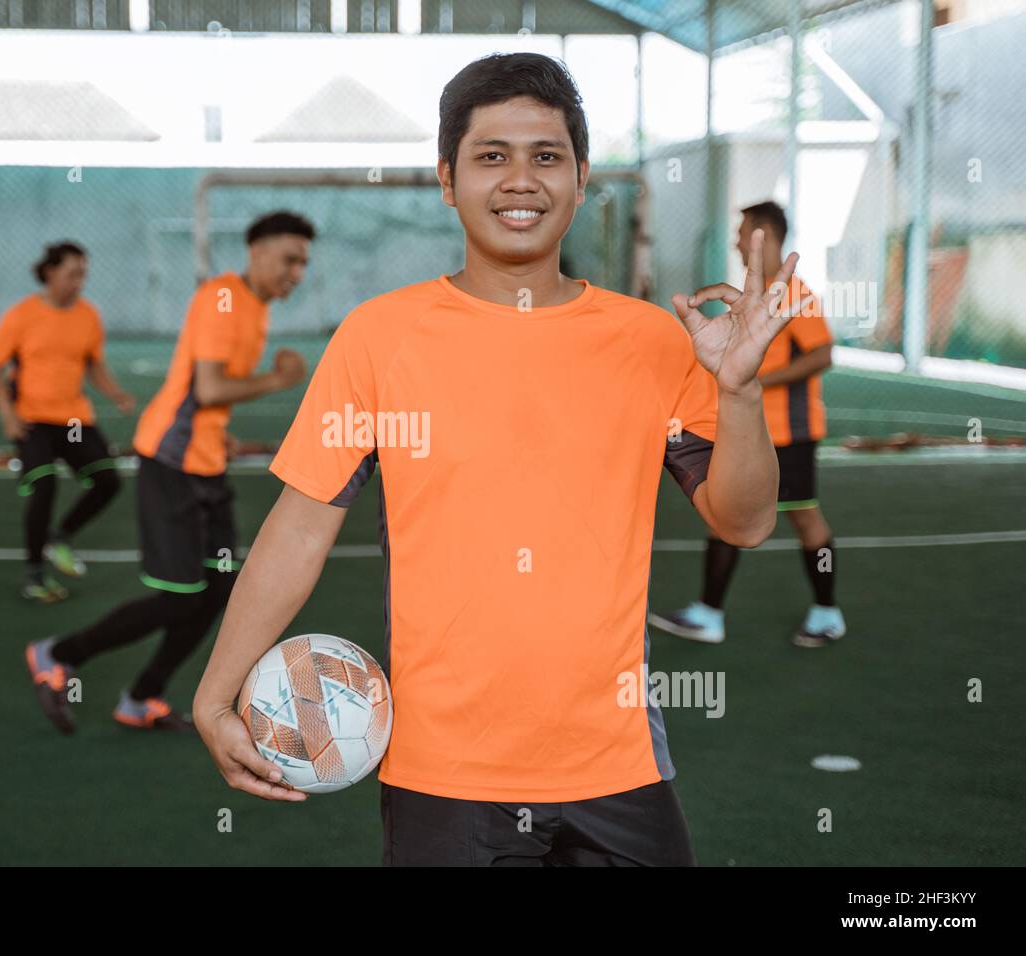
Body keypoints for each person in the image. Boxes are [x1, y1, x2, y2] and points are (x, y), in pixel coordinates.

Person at [191, 53, 801, 866]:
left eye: (547, 156)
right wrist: (213, 691)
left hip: (617, 762)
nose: (522, 179)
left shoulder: (655, 340)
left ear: (582, 179)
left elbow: (747, 520)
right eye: (492, 156)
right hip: (442, 773)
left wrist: (739, 393)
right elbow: (301, 528)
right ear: (448, 180)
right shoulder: (380, 337)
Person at [24, 212, 312, 733]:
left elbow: (207, 399)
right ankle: (58, 654)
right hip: (171, 461)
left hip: (205, 463)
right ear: (256, 251)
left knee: (221, 586)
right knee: (180, 593)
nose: (297, 273)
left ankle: (142, 696)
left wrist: (219, 432)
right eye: (290, 259)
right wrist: (280, 379)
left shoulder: (257, 308)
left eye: (304, 264)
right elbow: (206, 389)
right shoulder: (222, 299)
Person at [649, 201, 844, 648]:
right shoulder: (753, 294)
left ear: (764, 235)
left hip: (787, 432)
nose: (736, 240)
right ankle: (709, 612)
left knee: (804, 519)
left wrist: (755, 377)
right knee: (725, 512)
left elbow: (822, 355)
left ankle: (827, 611)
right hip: (749, 431)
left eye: (742, 231)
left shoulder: (795, 294)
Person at [0, 242, 134, 603]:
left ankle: (60, 537)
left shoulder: (88, 316)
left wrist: (115, 393)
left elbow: (93, 364)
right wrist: (7, 412)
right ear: (49, 273)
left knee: (108, 481)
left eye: (83, 274)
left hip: (75, 419)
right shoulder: (22, 315)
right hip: (31, 420)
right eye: (72, 274)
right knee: (44, 486)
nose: (79, 282)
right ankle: (34, 575)